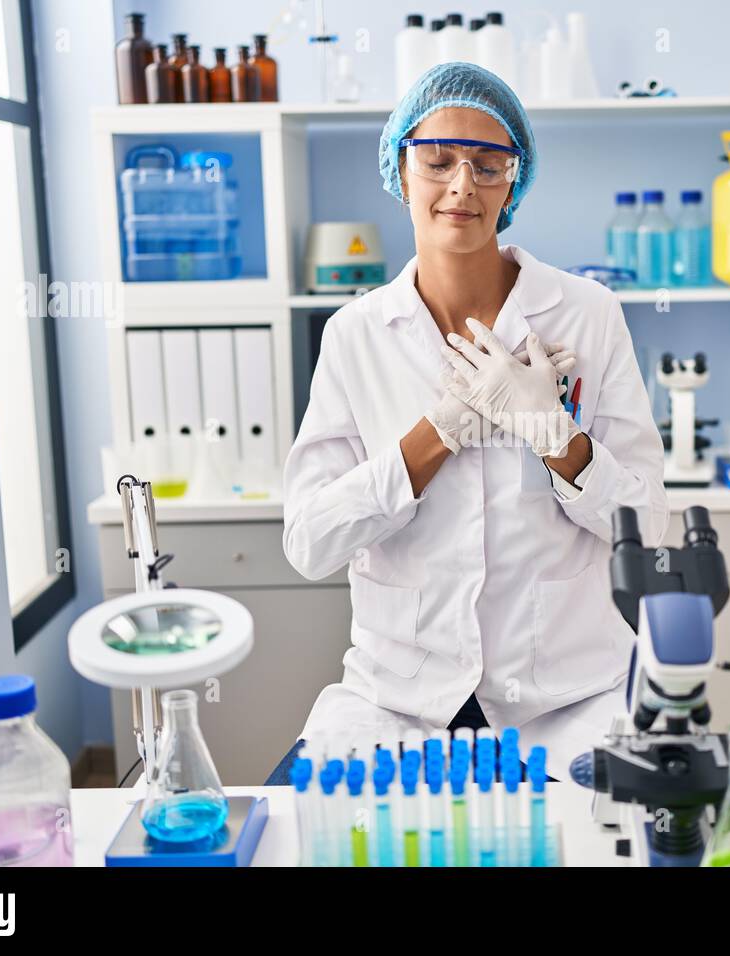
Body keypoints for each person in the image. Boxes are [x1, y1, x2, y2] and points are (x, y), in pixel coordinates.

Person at [274, 62, 666, 783]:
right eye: (438, 160)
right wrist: (440, 432)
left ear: (514, 181)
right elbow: (310, 542)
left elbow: (650, 526)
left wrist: (557, 437)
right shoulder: (357, 334)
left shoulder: (587, 314)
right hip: (401, 701)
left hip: (567, 698)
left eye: (489, 165)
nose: (462, 185)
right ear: (401, 166)